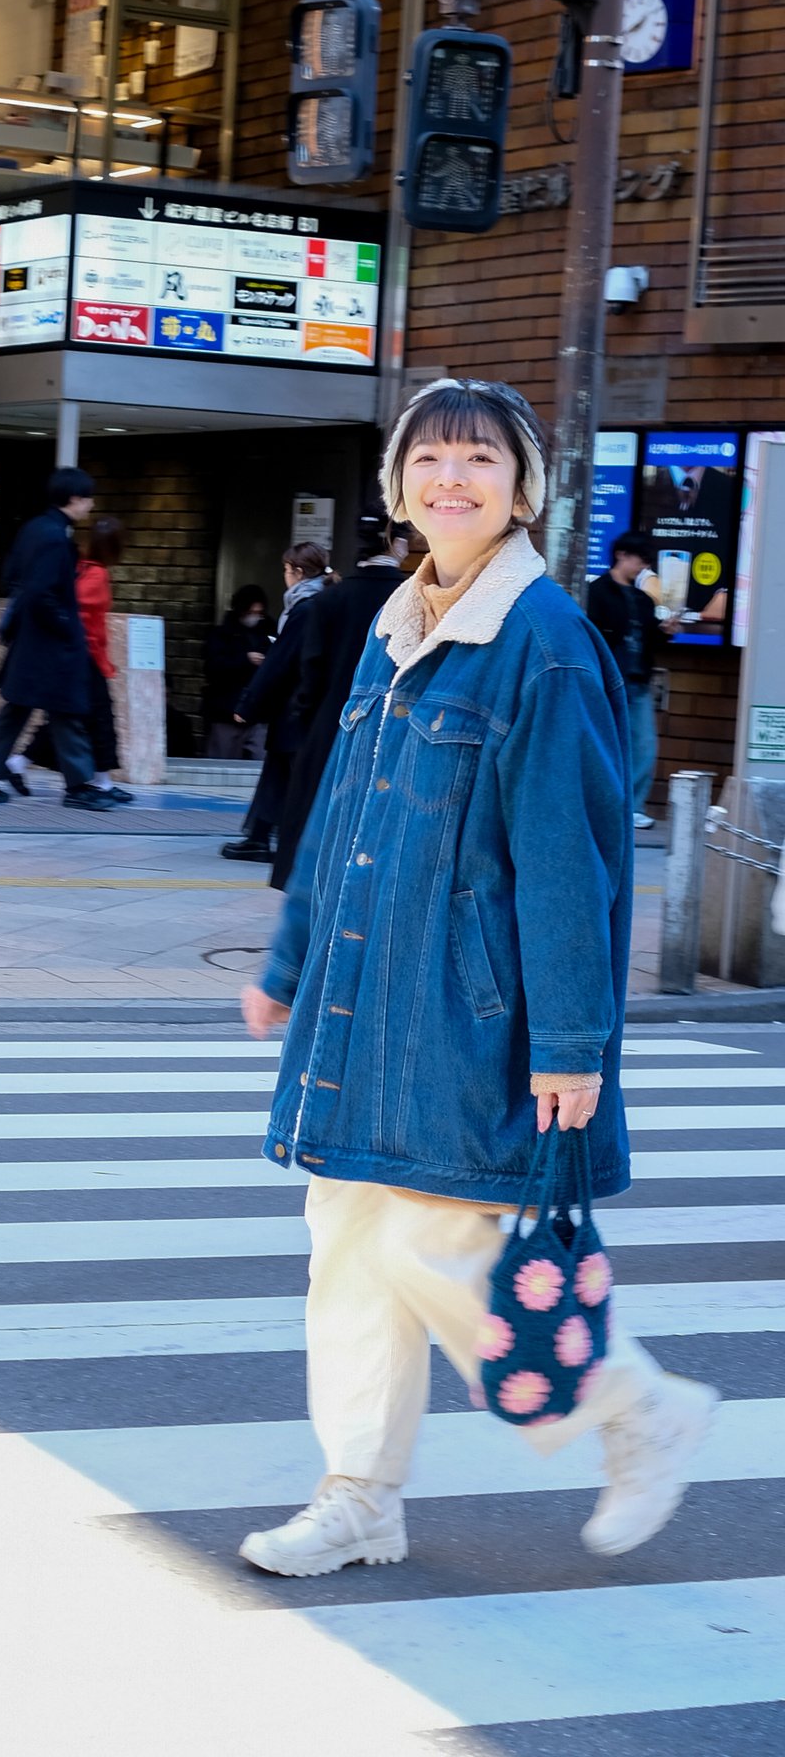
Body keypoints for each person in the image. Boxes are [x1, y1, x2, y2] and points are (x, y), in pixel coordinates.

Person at [238, 377, 714, 1580]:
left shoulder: (544, 644)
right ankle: (359, 1498)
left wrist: (572, 1043)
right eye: (432, 460)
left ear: (523, 490)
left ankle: (632, 1404)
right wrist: (289, 963)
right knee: (346, 1255)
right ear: (399, 486)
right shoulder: (398, 625)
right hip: (358, 1007)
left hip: (467, 1015)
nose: (453, 480)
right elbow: (339, 813)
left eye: (481, 462)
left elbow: (572, 864)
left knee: (429, 1251)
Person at [0, 469, 115, 813]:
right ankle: (78, 786)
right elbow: (43, 593)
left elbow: (14, 577)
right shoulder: (55, 537)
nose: (90, 504)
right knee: (64, 710)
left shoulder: (35, 529)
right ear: (74, 499)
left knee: (22, 709)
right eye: (87, 497)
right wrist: (66, 626)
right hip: (50, 646)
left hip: (33, 642)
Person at [270, 517, 407, 890]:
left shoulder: (331, 598)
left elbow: (310, 670)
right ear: (397, 546)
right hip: (395, 724)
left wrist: (304, 714)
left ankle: (307, 881)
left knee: (318, 808)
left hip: (330, 720)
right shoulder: (412, 595)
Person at [221, 544, 335, 863]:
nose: (284, 576)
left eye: (287, 570)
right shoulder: (320, 602)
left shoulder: (305, 607)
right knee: (279, 773)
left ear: (297, 572)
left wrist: (249, 703)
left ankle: (286, 842)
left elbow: (281, 661)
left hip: (297, 706)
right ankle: (260, 836)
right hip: (305, 706)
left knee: (290, 775)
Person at [588, 530, 677, 831]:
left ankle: (632, 807)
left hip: (638, 682)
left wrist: (666, 631)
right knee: (607, 746)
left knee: (643, 746)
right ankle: (605, 807)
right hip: (606, 683)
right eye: (639, 559)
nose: (642, 566)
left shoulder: (643, 599)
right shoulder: (596, 593)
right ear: (621, 555)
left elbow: (653, 640)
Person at [75, 515, 134, 804]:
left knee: (71, 719)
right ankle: (103, 781)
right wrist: (103, 663)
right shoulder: (97, 575)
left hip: (80, 656)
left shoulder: (82, 568)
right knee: (100, 719)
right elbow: (92, 626)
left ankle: (18, 763)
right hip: (88, 658)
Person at [202, 585, 272, 760]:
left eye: (259, 613)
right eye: (251, 612)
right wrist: (245, 660)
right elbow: (213, 668)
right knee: (222, 764)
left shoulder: (267, 632)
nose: (255, 617)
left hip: (258, 712)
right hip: (227, 710)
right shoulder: (222, 635)